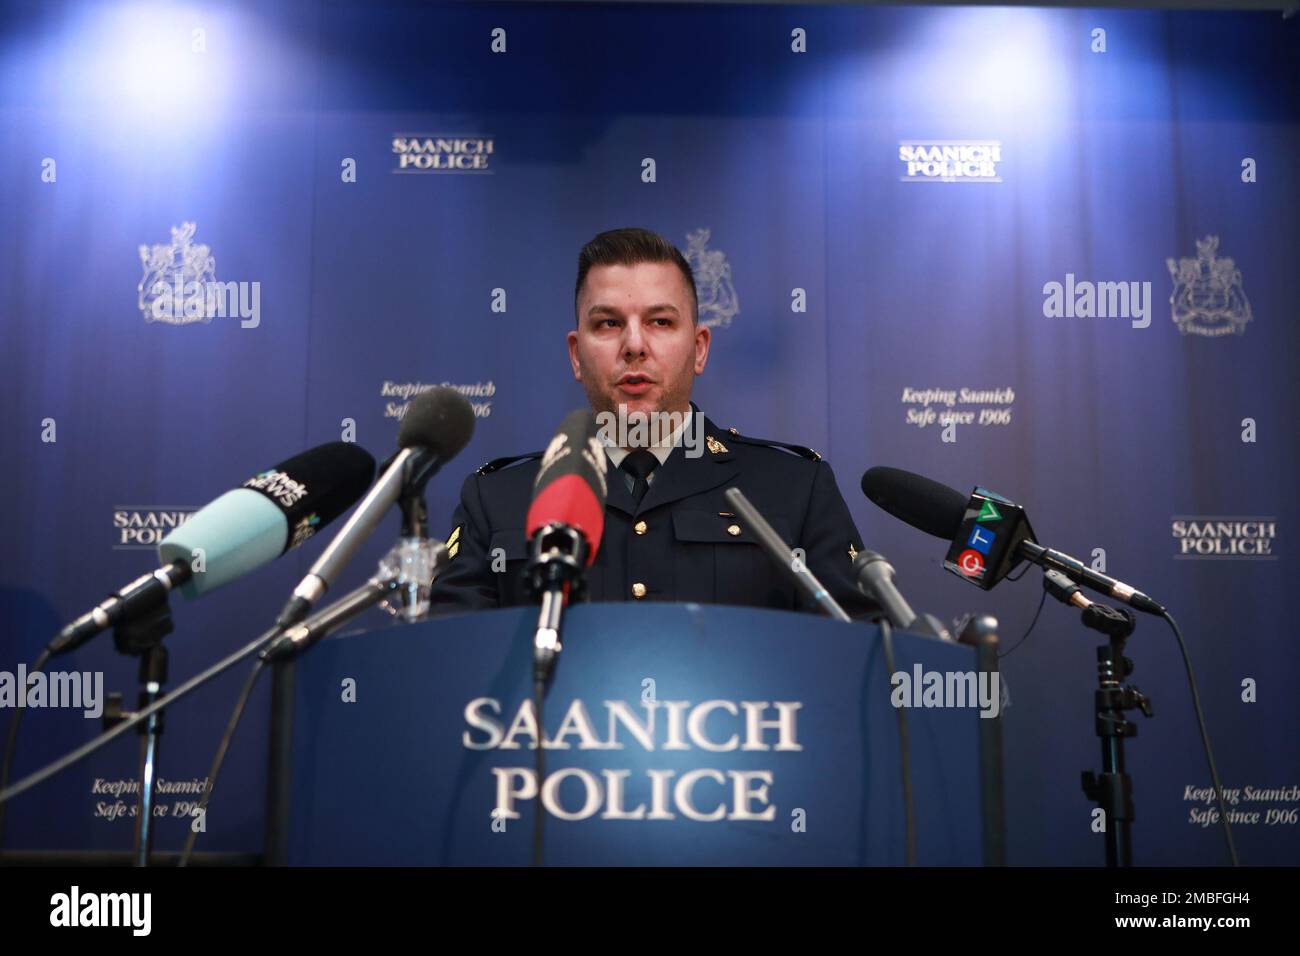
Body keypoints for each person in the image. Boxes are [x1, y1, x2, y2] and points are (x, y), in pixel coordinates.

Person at [427, 227, 879, 620]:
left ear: (699, 348)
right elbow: (452, 663)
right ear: (575, 355)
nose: (634, 344)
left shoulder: (794, 489)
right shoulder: (498, 499)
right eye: (607, 324)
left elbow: (863, 661)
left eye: (660, 321)